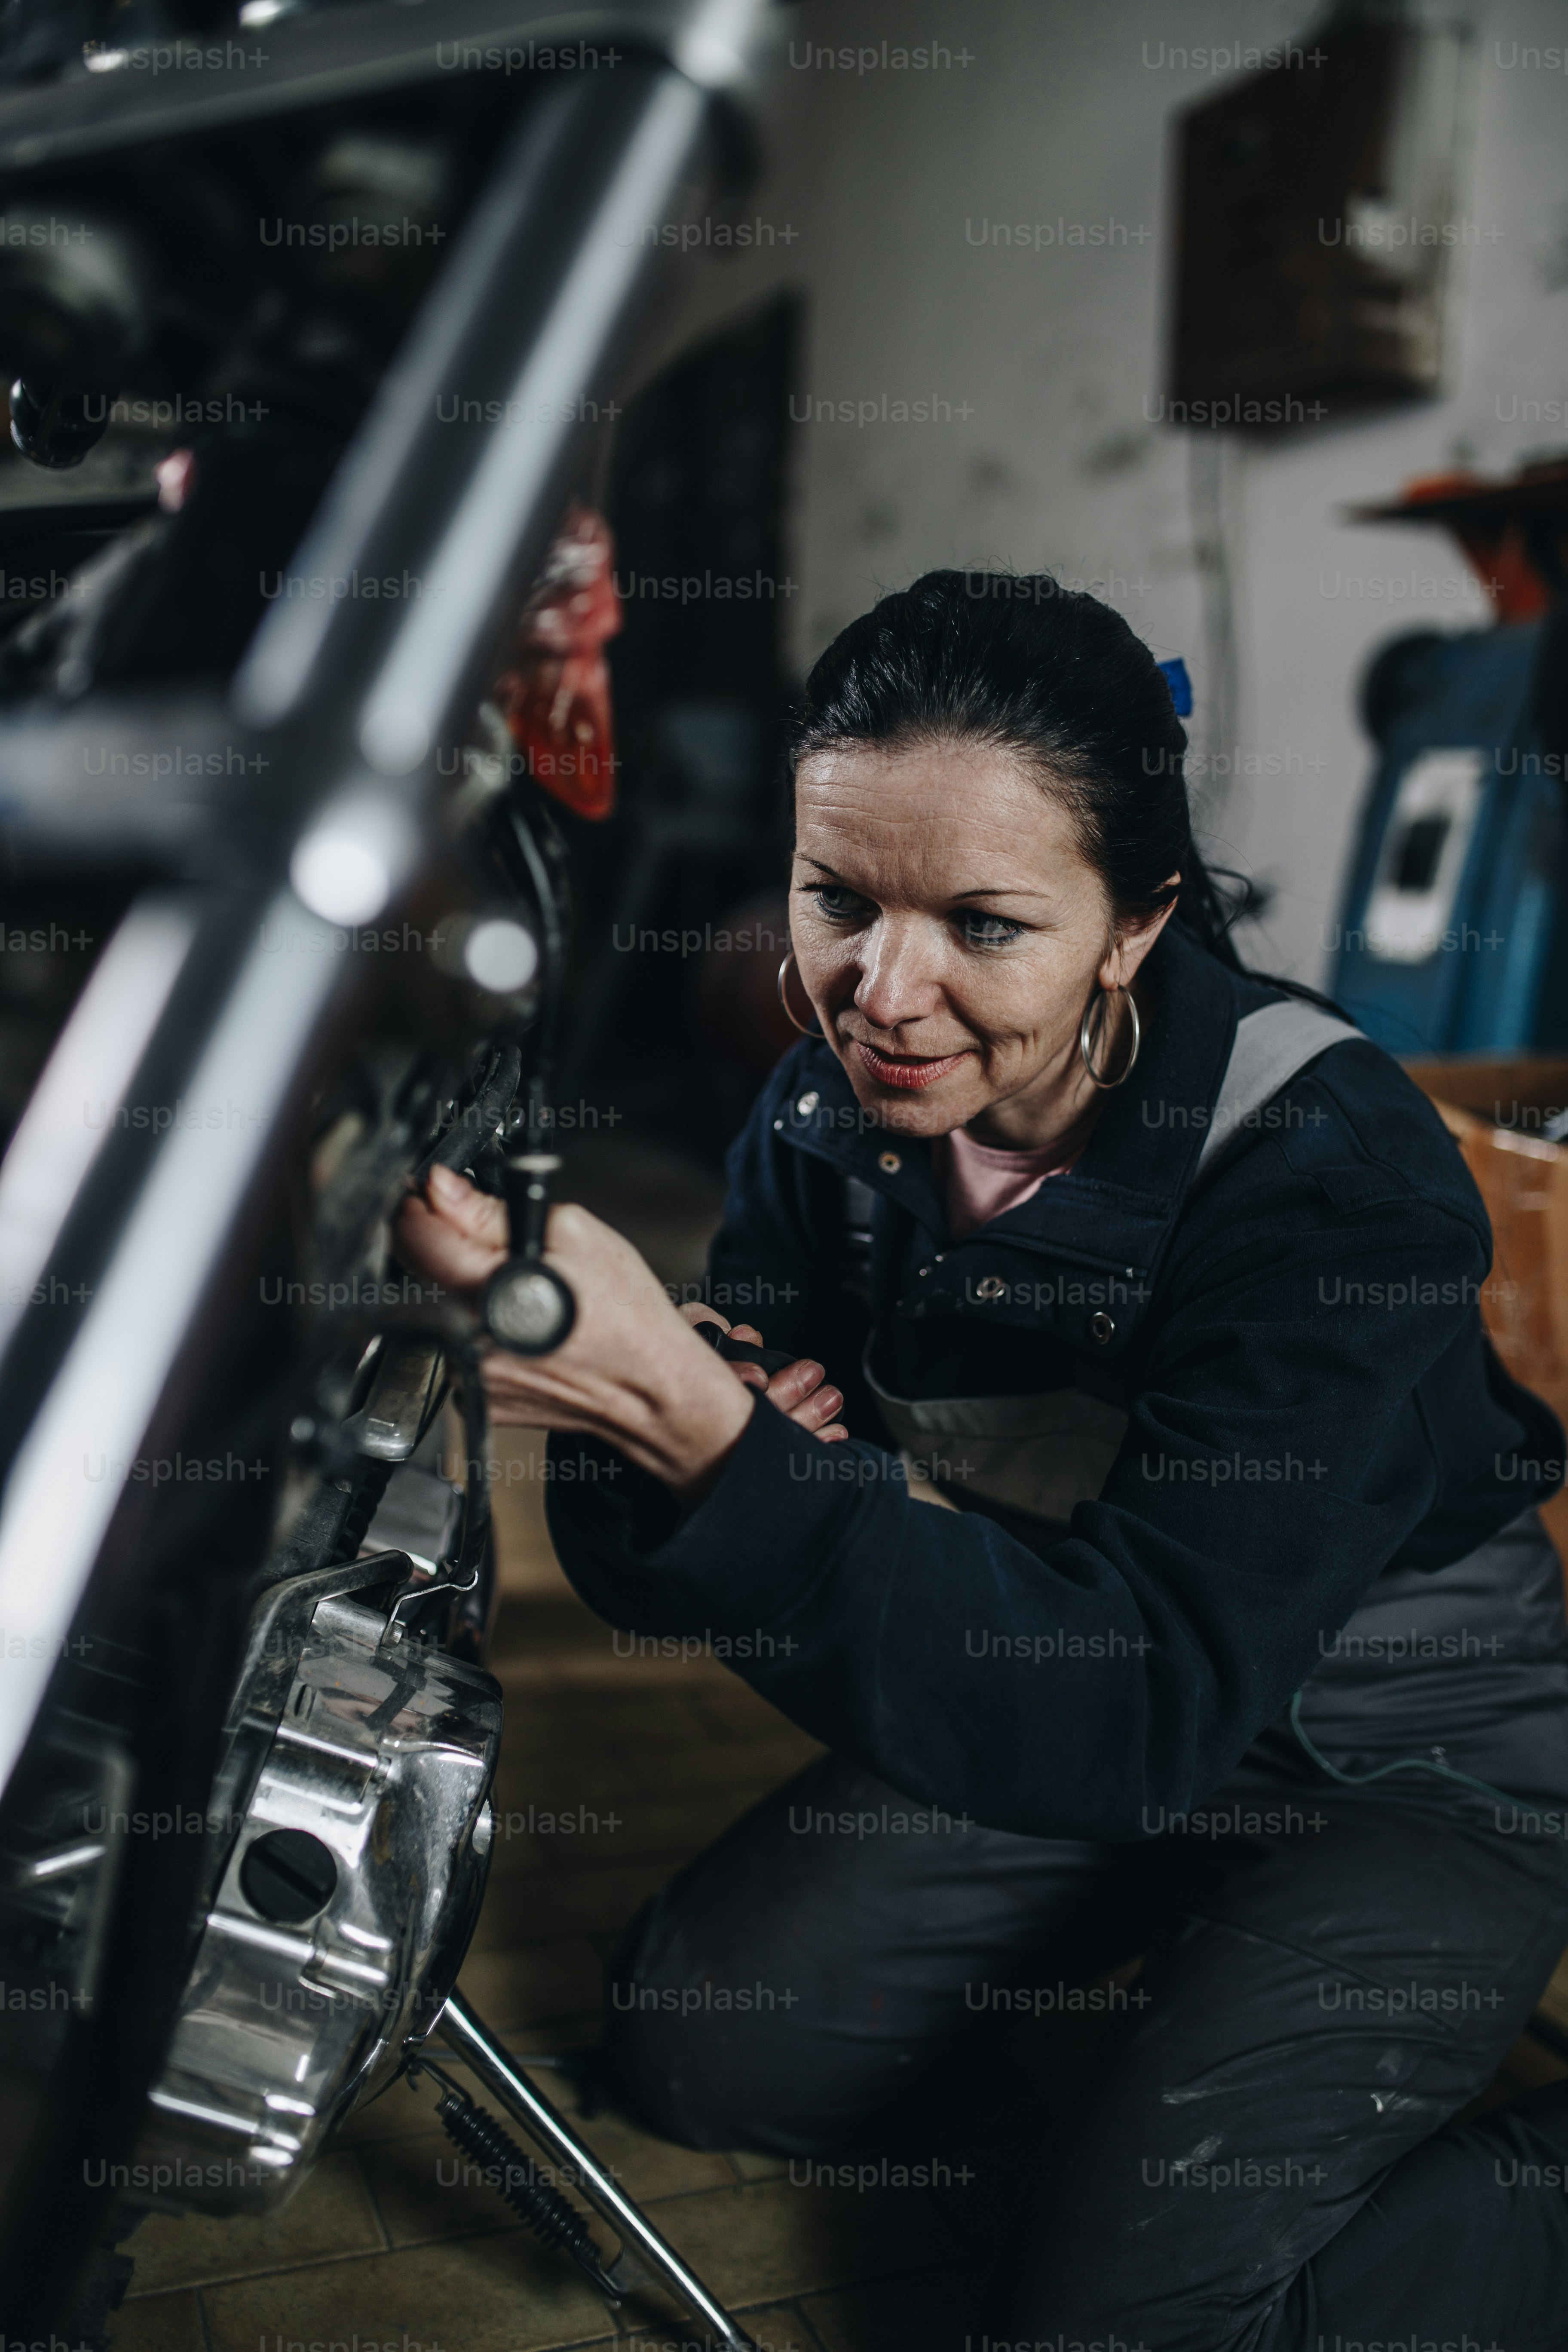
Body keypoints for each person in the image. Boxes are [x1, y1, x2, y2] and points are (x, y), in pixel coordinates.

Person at [395, 572, 1568, 2351]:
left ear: (1134, 925)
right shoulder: (826, 1119)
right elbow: (715, 1521)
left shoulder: (1324, 1173)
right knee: (701, 2040)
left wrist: (721, 1447)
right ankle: (1177, 2057)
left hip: (1408, 1755)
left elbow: (1139, 1690)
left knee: (1123, 2325)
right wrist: (676, 1444)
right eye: (837, 899)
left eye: (984, 925)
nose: (885, 988)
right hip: (1095, 1677)